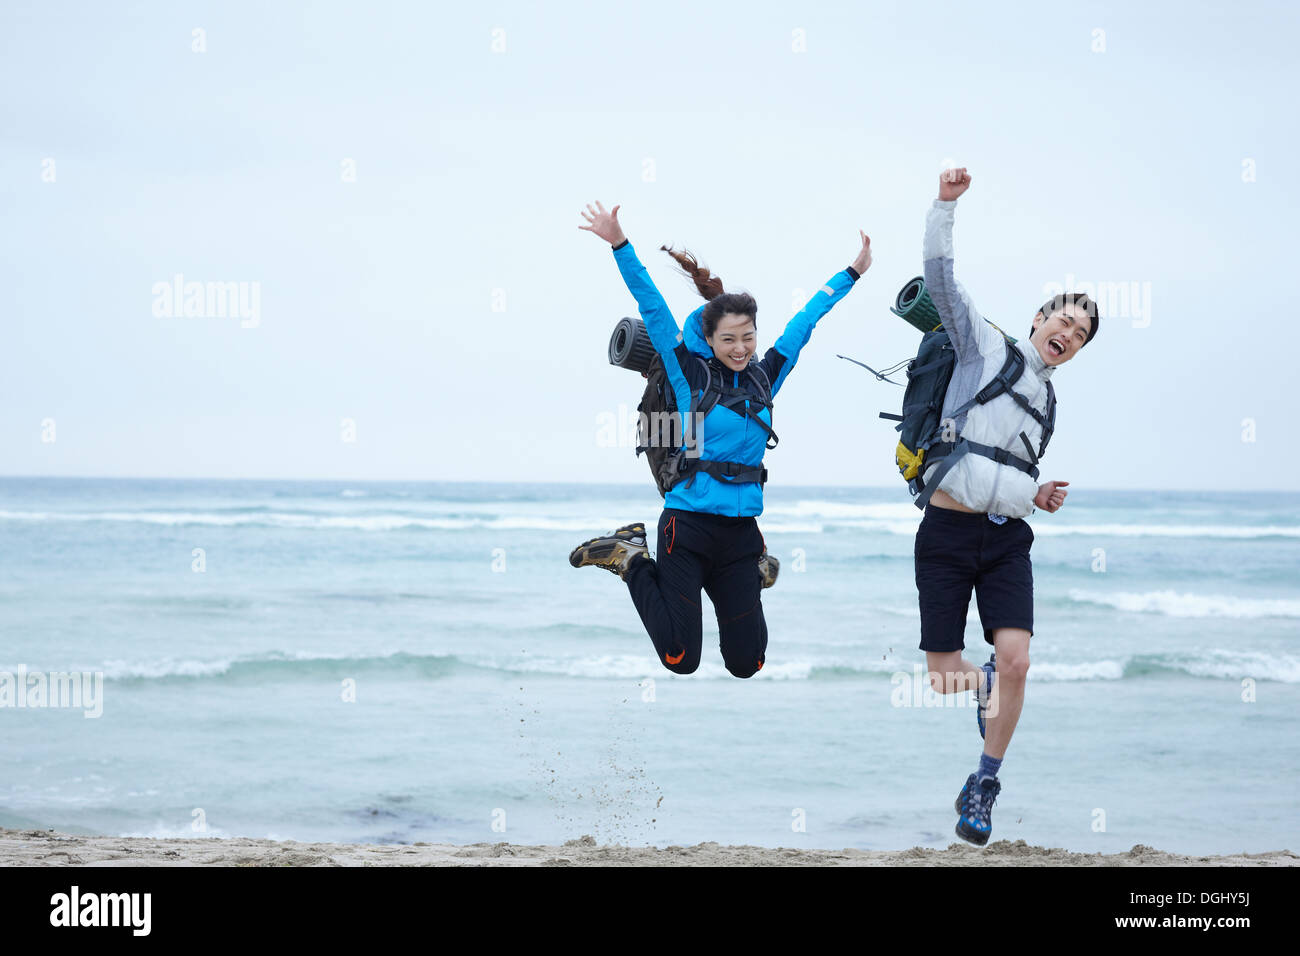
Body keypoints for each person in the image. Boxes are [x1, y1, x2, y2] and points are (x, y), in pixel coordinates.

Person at [569, 200, 871, 678]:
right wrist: (620, 243)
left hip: (741, 535)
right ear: (709, 340)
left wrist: (851, 274)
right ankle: (630, 560)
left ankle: (752, 572)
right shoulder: (688, 375)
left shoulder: (764, 378)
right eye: (729, 339)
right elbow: (652, 303)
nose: (740, 348)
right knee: (680, 658)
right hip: (686, 530)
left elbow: (805, 322)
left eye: (747, 338)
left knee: (747, 663)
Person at [915, 168, 1099, 844]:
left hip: (1005, 541)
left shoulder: (1050, 404)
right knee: (943, 679)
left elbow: (1010, 474)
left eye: (1081, 334)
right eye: (1065, 319)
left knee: (1018, 661)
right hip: (944, 531)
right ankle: (985, 679)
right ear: (1039, 317)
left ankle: (983, 782)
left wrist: (1037, 494)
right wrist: (945, 205)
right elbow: (939, 275)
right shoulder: (983, 346)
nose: (1069, 334)